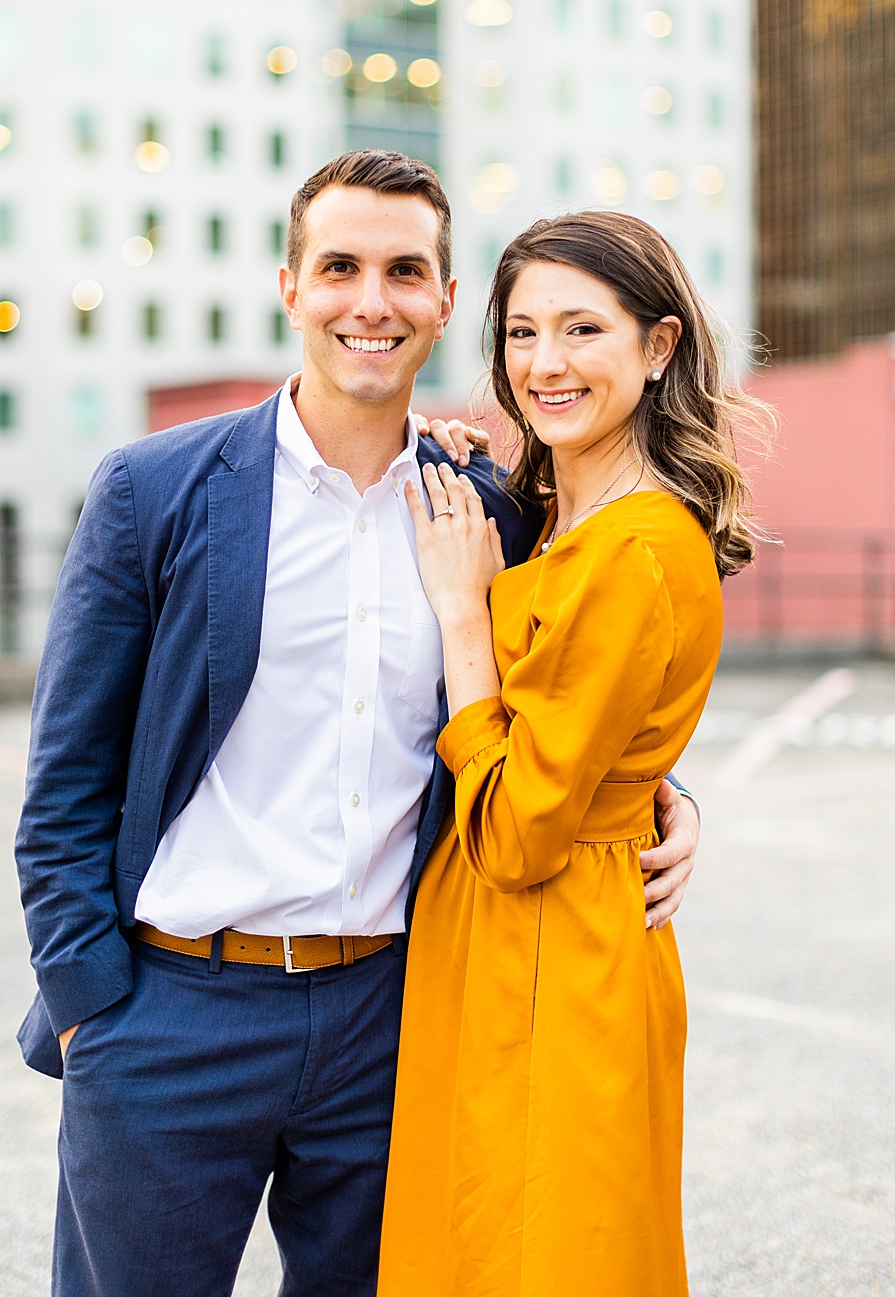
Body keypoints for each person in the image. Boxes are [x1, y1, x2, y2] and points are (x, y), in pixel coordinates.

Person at [14, 150, 703, 1296]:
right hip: (170, 1014)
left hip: (396, 1019)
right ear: (290, 288)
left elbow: (575, 697)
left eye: (403, 271)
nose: (368, 300)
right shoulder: (151, 489)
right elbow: (63, 779)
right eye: (338, 267)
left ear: (441, 301)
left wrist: (665, 800)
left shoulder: (489, 512)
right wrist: (93, 1010)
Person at [381, 212, 759, 1294]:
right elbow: (591, 733)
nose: (543, 364)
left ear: (657, 346)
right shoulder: (555, 515)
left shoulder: (631, 553)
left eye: (582, 330)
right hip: (514, 946)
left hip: (550, 950)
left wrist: (462, 617)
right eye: (519, 333)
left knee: (541, 1253)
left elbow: (511, 830)